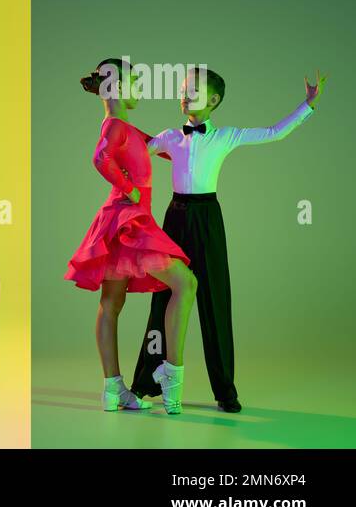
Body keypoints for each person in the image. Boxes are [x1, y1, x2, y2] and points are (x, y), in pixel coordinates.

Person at [129, 68, 325, 413]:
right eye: (183, 89)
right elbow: (134, 150)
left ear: (214, 100)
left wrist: (307, 105)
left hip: (208, 219)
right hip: (173, 218)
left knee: (215, 300)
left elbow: (273, 133)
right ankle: (146, 383)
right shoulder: (170, 136)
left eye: (194, 90)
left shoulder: (226, 137)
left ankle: (225, 390)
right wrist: (112, 122)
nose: (185, 95)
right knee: (161, 298)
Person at [65, 58, 197, 414]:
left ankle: (113, 389)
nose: (140, 89)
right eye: (136, 83)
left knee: (112, 304)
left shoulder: (124, 127)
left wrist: (195, 143)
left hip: (118, 219)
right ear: (118, 88)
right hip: (130, 220)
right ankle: (172, 375)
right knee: (185, 283)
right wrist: (130, 189)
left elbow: (162, 147)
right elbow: (100, 158)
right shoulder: (115, 127)